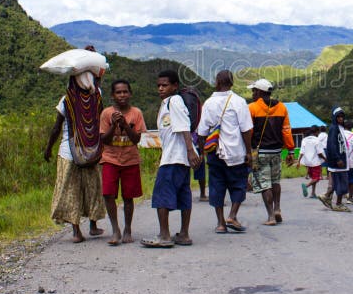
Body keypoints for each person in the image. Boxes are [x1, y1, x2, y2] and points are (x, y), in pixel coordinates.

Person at [43, 71, 106, 243]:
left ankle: (76, 232)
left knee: (71, 191)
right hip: (92, 150)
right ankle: (93, 226)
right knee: (93, 188)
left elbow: (57, 127)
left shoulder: (66, 100)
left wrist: (48, 148)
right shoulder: (97, 96)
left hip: (68, 152)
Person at [142, 70, 200, 248]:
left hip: (175, 158)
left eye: (165, 85)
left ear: (174, 86)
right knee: (183, 194)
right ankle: (183, 234)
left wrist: (190, 151)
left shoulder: (174, 101)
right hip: (176, 157)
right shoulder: (166, 103)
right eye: (159, 85)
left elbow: (183, 126)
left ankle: (164, 235)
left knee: (162, 196)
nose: (161, 88)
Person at [196, 70, 254, 233]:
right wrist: (248, 152)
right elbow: (246, 130)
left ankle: (221, 223)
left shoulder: (208, 103)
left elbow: (202, 132)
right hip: (236, 152)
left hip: (215, 152)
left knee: (216, 187)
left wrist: (203, 152)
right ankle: (232, 215)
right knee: (239, 184)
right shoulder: (239, 102)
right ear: (232, 83)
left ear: (217, 82)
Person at [99, 79, 147, 245]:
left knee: (128, 197)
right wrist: (113, 125)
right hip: (110, 159)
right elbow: (104, 139)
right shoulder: (106, 113)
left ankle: (127, 228)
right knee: (108, 194)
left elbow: (136, 139)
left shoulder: (136, 113)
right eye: (118, 92)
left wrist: (125, 125)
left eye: (125, 91)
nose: (122, 95)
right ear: (113, 95)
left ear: (130, 93)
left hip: (130, 160)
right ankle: (115, 229)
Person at [248, 78, 295, 226]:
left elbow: (248, 132)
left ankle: (270, 217)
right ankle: (277, 209)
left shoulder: (252, 108)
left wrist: (247, 151)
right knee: (275, 181)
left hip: (260, 152)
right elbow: (286, 131)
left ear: (261, 92)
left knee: (264, 184)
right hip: (276, 152)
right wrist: (291, 151)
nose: (252, 93)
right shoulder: (282, 107)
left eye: (254, 91)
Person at [320, 107, 351, 212]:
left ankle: (326, 196)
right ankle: (338, 203)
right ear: (334, 117)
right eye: (338, 116)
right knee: (342, 183)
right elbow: (331, 145)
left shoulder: (340, 128)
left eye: (342, 116)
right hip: (339, 162)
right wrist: (337, 159)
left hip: (342, 160)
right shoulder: (334, 128)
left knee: (336, 182)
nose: (341, 118)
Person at [297, 125, 325, 198]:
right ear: (316, 132)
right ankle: (306, 186)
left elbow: (301, 152)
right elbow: (319, 153)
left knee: (313, 178)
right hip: (315, 163)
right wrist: (325, 159)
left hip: (307, 163)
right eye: (318, 132)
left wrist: (298, 161)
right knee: (317, 178)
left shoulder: (304, 140)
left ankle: (313, 193)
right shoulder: (317, 140)